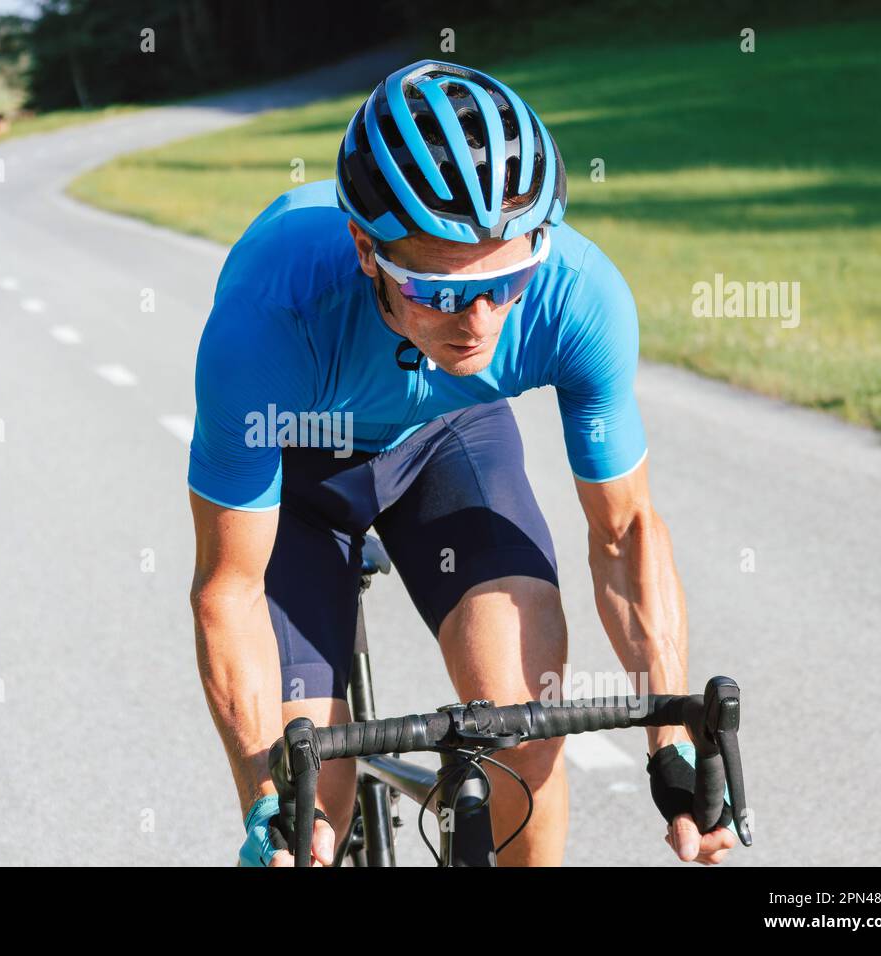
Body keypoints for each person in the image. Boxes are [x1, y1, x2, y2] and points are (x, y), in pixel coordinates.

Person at [188, 60, 734, 866]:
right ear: (366, 249)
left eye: (506, 280)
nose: (478, 323)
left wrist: (670, 738)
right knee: (315, 814)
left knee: (523, 732)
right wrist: (267, 793)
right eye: (437, 290)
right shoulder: (269, 320)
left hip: (447, 440)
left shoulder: (579, 297)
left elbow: (623, 534)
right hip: (297, 475)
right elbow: (228, 589)